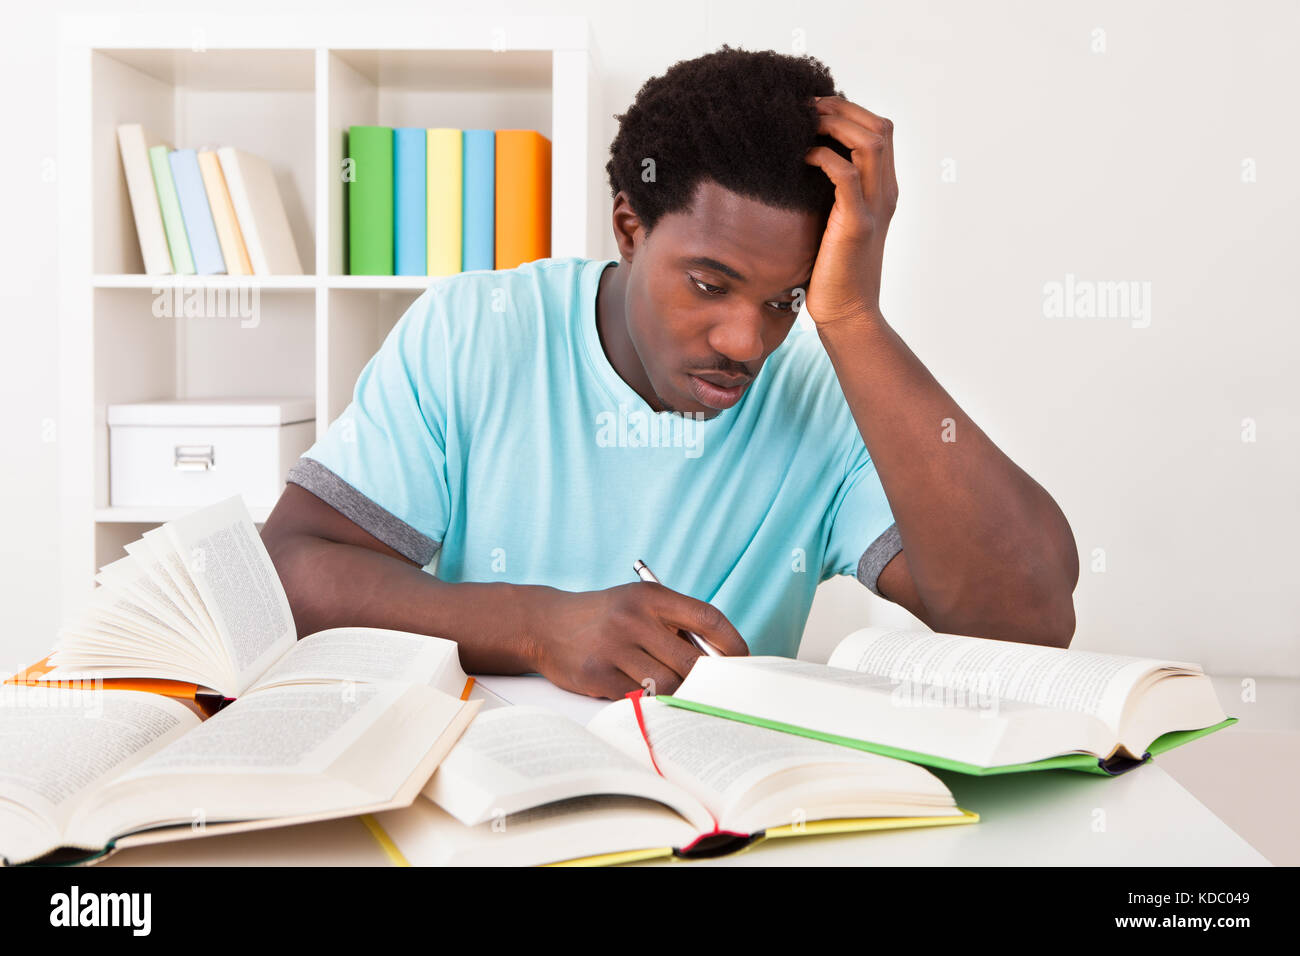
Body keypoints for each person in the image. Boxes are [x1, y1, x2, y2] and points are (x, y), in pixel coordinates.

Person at [261, 45, 1079, 701]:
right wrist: (538, 624)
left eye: (787, 298)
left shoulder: (835, 395)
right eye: (710, 285)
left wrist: (852, 319)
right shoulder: (477, 330)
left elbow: (1028, 623)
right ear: (628, 225)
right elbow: (292, 572)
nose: (746, 341)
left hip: (715, 807)